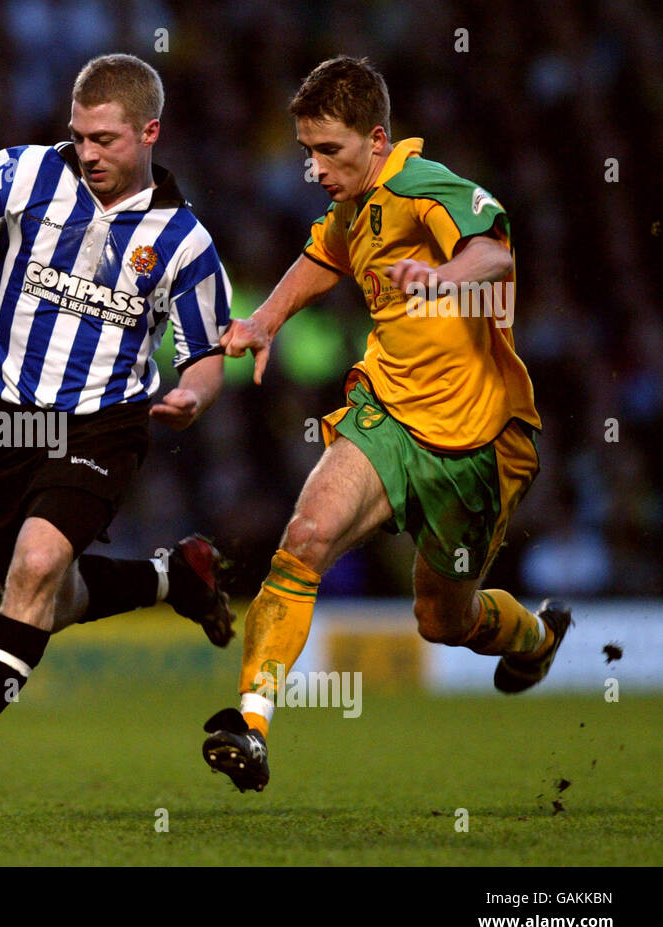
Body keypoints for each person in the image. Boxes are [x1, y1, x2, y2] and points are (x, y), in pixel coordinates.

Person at [0, 53, 235, 802]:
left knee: (33, 569)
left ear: (149, 131)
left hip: (102, 426)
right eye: (79, 135)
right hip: (1, 425)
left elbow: (208, 355)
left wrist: (194, 395)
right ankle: (173, 577)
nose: (88, 152)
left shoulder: (185, 242)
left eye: (106, 139)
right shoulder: (23, 175)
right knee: (44, 600)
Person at [201, 56, 572, 793]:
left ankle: (535, 636)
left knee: (443, 621)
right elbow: (325, 252)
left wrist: (441, 277)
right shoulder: (354, 204)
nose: (315, 168)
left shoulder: (417, 184)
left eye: (329, 151)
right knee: (305, 537)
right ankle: (251, 723)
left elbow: (493, 249)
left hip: (479, 441)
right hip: (389, 414)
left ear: (375, 138)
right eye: (307, 152)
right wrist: (266, 320)